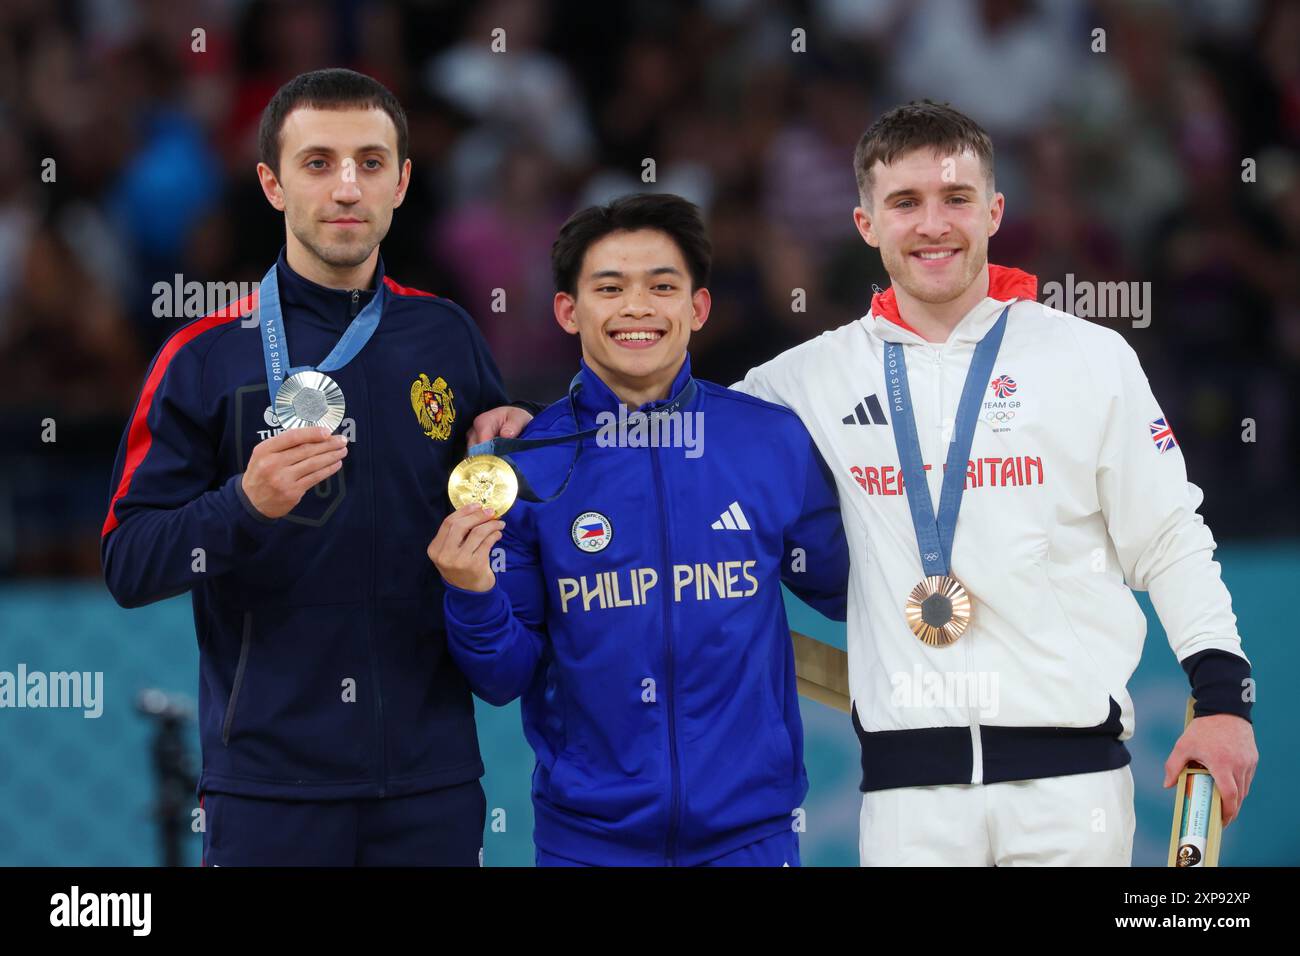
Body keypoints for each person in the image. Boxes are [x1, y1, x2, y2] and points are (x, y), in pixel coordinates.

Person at [474, 102, 1259, 866]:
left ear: (994, 211)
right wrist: (543, 427)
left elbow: (1169, 536)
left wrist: (1222, 698)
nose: (932, 224)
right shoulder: (802, 383)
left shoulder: (1090, 358)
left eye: (955, 199)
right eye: (905, 202)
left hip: (1073, 783)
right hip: (908, 800)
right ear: (866, 223)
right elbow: (658, 411)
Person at [101, 68, 522, 866]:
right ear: (272, 183)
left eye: (370, 162)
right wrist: (243, 504)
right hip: (269, 788)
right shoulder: (200, 357)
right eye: (318, 162)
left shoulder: (447, 337)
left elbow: (494, 505)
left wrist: (518, 452)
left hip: (429, 778)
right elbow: (128, 563)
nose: (347, 187)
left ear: (401, 182)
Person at [427, 194, 849, 866]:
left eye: (662, 286)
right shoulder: (526, 466)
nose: (637, 308)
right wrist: (470, 594)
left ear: (698, 307)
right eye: (609, 287)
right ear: (569, 310)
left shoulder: (769, 440)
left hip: (753, 837)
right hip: (588, 842)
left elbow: (849, 590)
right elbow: (503, 676)